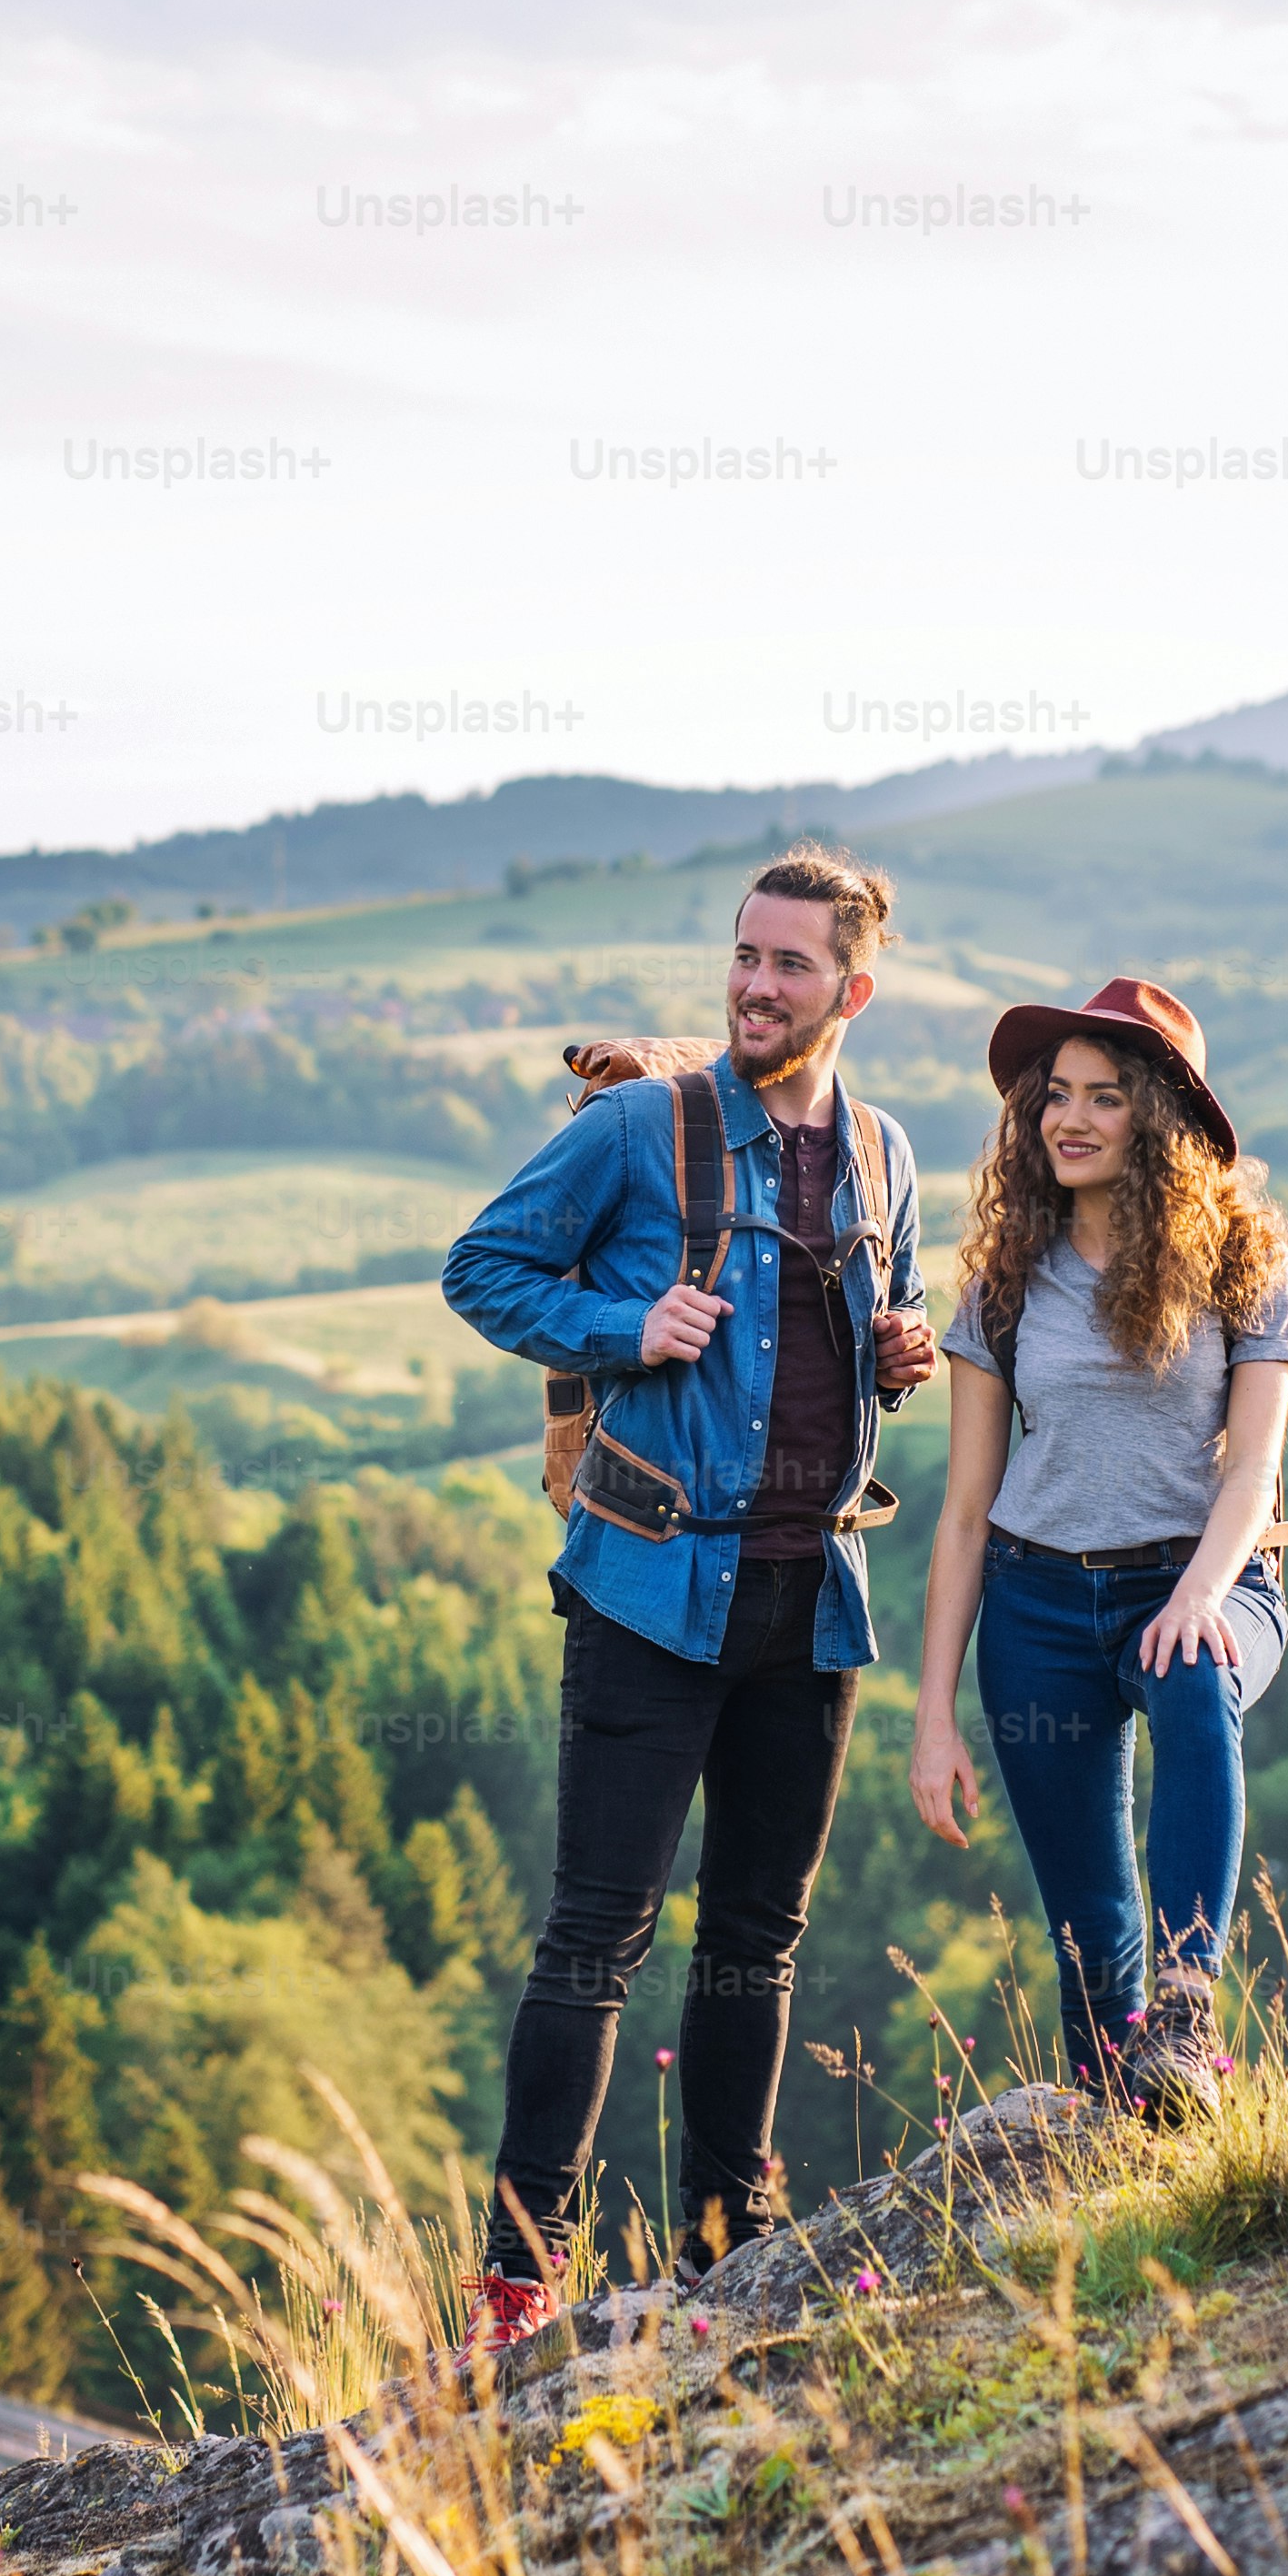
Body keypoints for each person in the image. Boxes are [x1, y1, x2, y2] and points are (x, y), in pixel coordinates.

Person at [439, 845, 934, 2350]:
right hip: (648, 1588)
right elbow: (479, 1267)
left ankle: (732, 2258)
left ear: (851, 989)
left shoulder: (886, 1154)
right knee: (591, 1941)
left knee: (752, 1945)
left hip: (812, 1601)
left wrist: (894, 1357)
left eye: (788, 965)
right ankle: (521, 2292)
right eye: (741, 955)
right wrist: (622, 1321)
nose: (753, 985)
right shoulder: (640, 1130)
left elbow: (873, 1317)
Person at [904, 977, 1288, 2122]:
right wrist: (934, 1715)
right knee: (1088, 1937)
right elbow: (965, 1511)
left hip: (1203, 1577)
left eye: (1104, 1097)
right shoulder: (1003, 1281)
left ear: (1161, 1120)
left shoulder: (1244, 1261)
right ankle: (1122, 2131)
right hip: (1037, 1606)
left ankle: (1186, 2015)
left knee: (1195, 1674)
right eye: (1056, 1097)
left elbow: (1253, 1471)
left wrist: (1199, 1593)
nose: (1069, 1119)